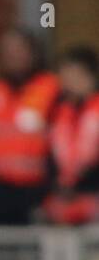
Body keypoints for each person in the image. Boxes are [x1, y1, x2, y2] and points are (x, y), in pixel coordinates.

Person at [0, 28, 59, 225]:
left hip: (37, 188)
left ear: (33, 52)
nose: (12, 56)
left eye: (18, 49)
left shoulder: (51, 88)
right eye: (7, 50)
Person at [42, 45, 99, 226]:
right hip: (63, 199)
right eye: (65, 75)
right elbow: (51, 154)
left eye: (74, 74)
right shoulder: (58, 113)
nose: (68, 81)